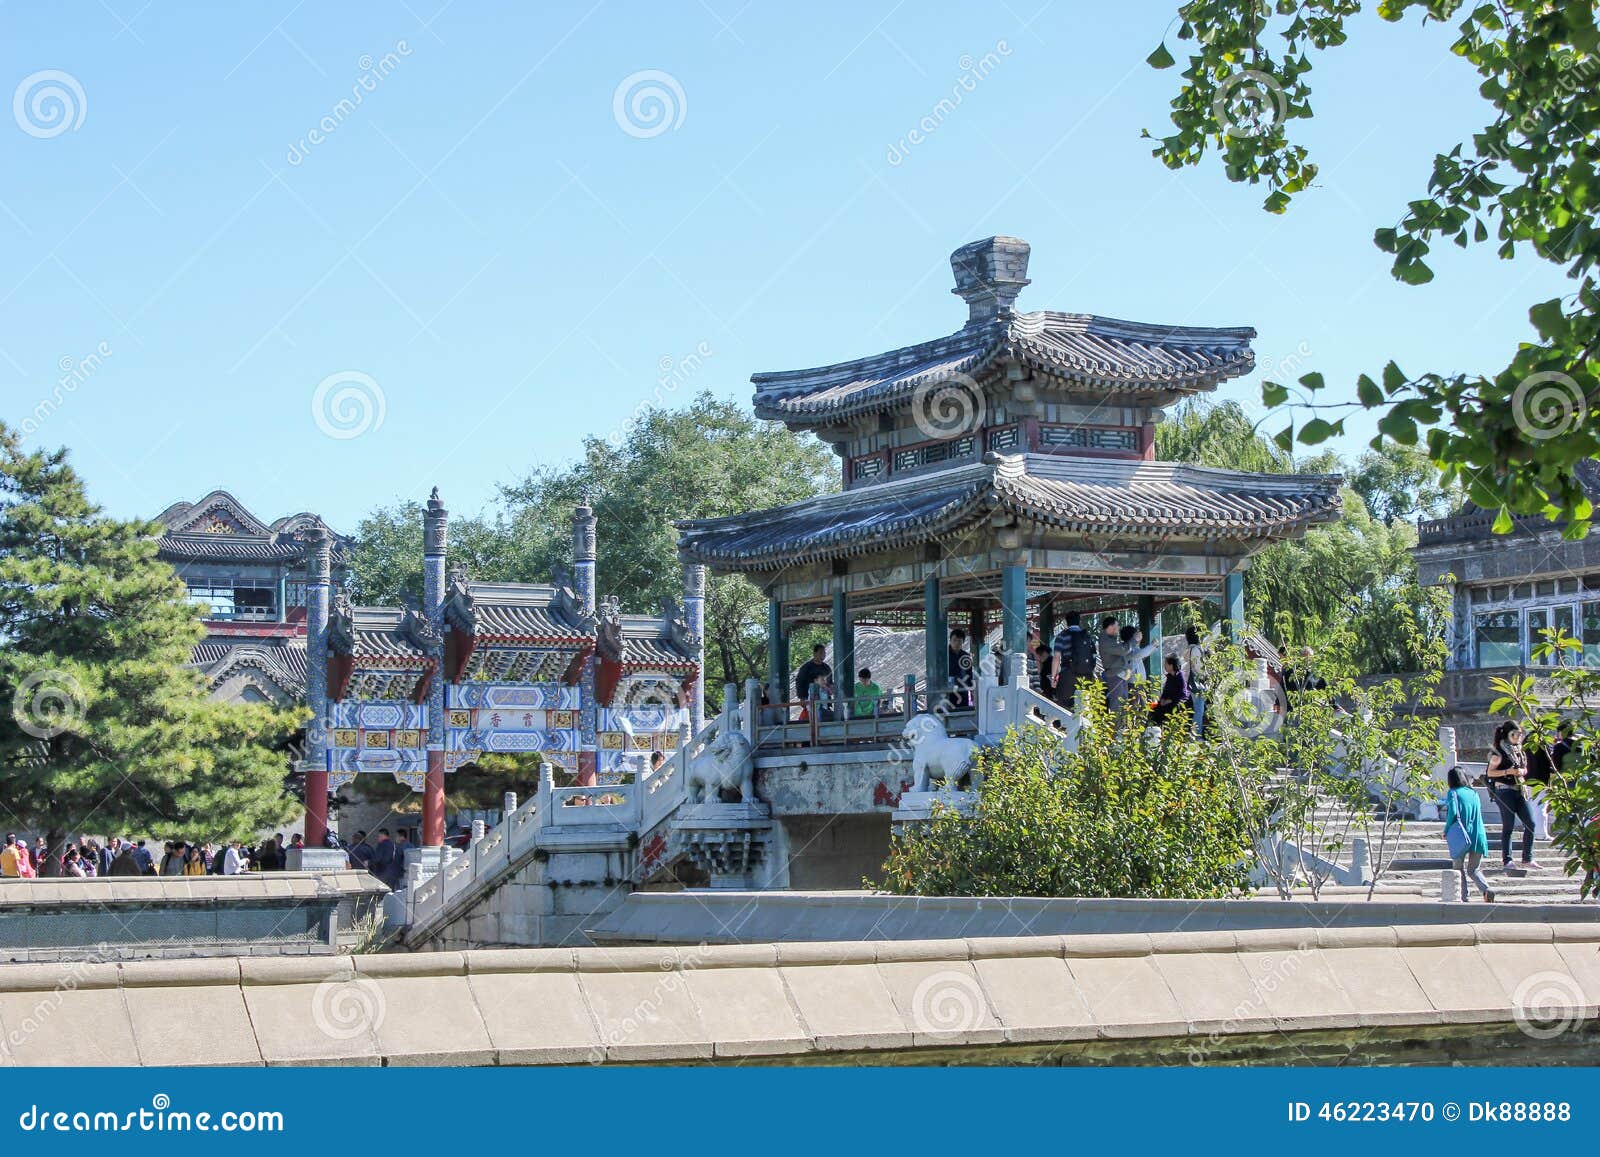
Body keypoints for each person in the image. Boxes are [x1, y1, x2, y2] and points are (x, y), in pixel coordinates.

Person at [1485, 720, 1542, 870]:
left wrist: (1522, 772)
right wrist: (1508, 772)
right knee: (1508, 825)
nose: (1519, 736)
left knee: (1530, 823)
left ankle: (1527, 857)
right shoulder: (1498, 752)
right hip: (1504, 790)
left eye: (1520, 734)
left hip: (1519, 788)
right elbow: (1490, 772)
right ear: (1508, 734)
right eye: (1515, 734)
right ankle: (1507, 859)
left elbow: (1524, 768)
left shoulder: (1519, 750)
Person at [1444, 765, 1495, 902]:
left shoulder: (1453, 793)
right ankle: (1486, 889)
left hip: (1461, 835)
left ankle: (1463, 895)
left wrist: (1446, 829)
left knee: (1458, 868)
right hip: (1478, 835)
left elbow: (1452, 813)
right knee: (1474, 869)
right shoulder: (1474, 793)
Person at [1525, 720, 1572, 840]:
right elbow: (1550, 761)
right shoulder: (1542, 742)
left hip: (1529, 778)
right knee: (1541, 806)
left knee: (1533, 805)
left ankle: (1535, 833)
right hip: (1541, 779)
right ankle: (1540, 833)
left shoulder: (1526, 741)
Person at [1181, 626, 1207, 736]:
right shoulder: (1196, 649)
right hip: (1198, 683)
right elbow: (1199, 668)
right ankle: (1197, 734)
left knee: (1197, 708)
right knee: (1199, 710)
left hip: (1190, 682)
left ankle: (1195, 733)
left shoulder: (1188, 650)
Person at [1149, 655, 1189, 725]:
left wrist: (1169, 700)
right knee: (1155, 710)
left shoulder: (1179, 676)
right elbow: (1165, 691)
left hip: (1176, 702)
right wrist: (1162, 700)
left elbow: (1182, 693)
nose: (1164, 666)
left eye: (1166, 664)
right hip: (1167, 702)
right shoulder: (1169, 676)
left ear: (1171, 665)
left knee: (1166, 711)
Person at [793, 644, 831, 711]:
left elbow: (830, 683)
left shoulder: (826, 668)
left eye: (824, 653)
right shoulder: (806, 667)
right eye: (821, 653)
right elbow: (799, 682)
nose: (823, 655)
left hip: (824, 700)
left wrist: (830, 689)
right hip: (810, 699)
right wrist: (802, 697)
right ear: (814, 654)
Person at [947, 628, 975, 709]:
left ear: (963, 642)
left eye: (959, 641)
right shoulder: (944, 655)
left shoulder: (966, 656)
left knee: (963, 712)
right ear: (950, 640)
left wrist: (971, 690)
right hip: (948, 691)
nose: (956, 643)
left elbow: (969, 674)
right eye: (954, 640)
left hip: (963, 690)